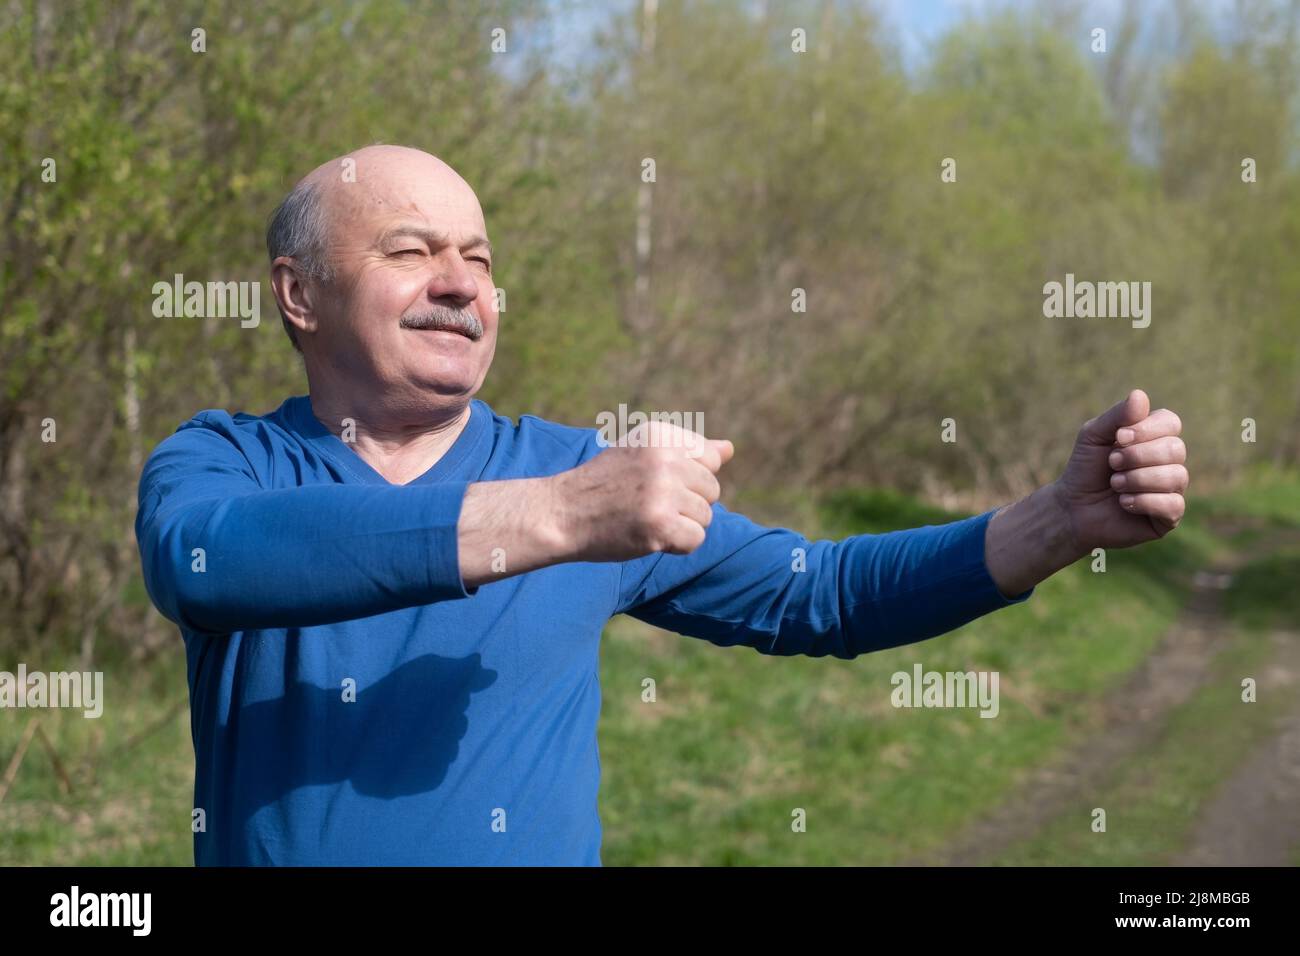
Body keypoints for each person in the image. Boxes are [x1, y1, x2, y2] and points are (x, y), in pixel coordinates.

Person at [135, 145, 1190, 865]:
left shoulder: (578, 473)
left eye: (481, 260)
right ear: (298, 292)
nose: (460, 283)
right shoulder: (229, 459)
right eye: (410, 251)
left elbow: (816, 595)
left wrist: (1058, 520)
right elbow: (208, 560)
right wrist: (550, 518)